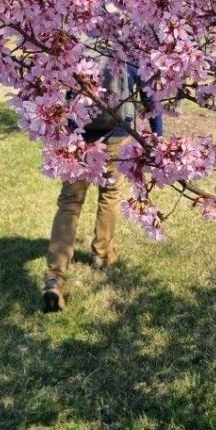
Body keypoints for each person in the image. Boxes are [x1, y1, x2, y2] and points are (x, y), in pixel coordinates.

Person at [42, 57, 162, 312]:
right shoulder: (126, 46)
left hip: (79, 136)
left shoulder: (76, 45)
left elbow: (65, 92)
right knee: (109, 193)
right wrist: (157, 136)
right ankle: (102, 254)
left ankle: (55, 276)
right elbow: (149, 96)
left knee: (70, 203)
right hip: (115, 132)